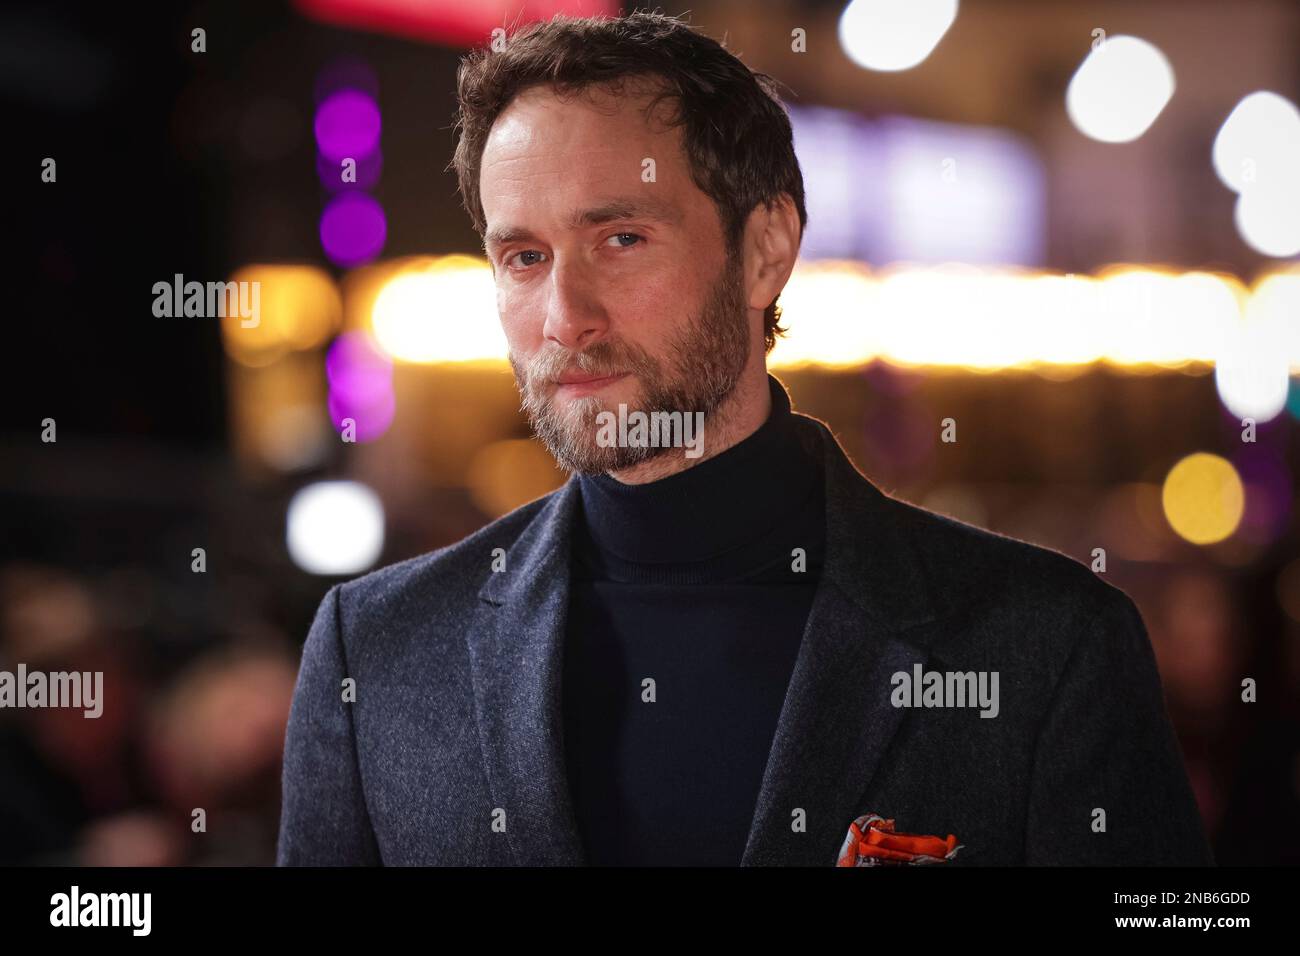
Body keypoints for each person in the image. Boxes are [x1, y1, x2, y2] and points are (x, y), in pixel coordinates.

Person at [277, 11, 1212, 866]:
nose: (564, 316)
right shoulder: (380, 652)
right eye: (525, 258)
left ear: (765, 249)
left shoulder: (1046, 648)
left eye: (621, 239)